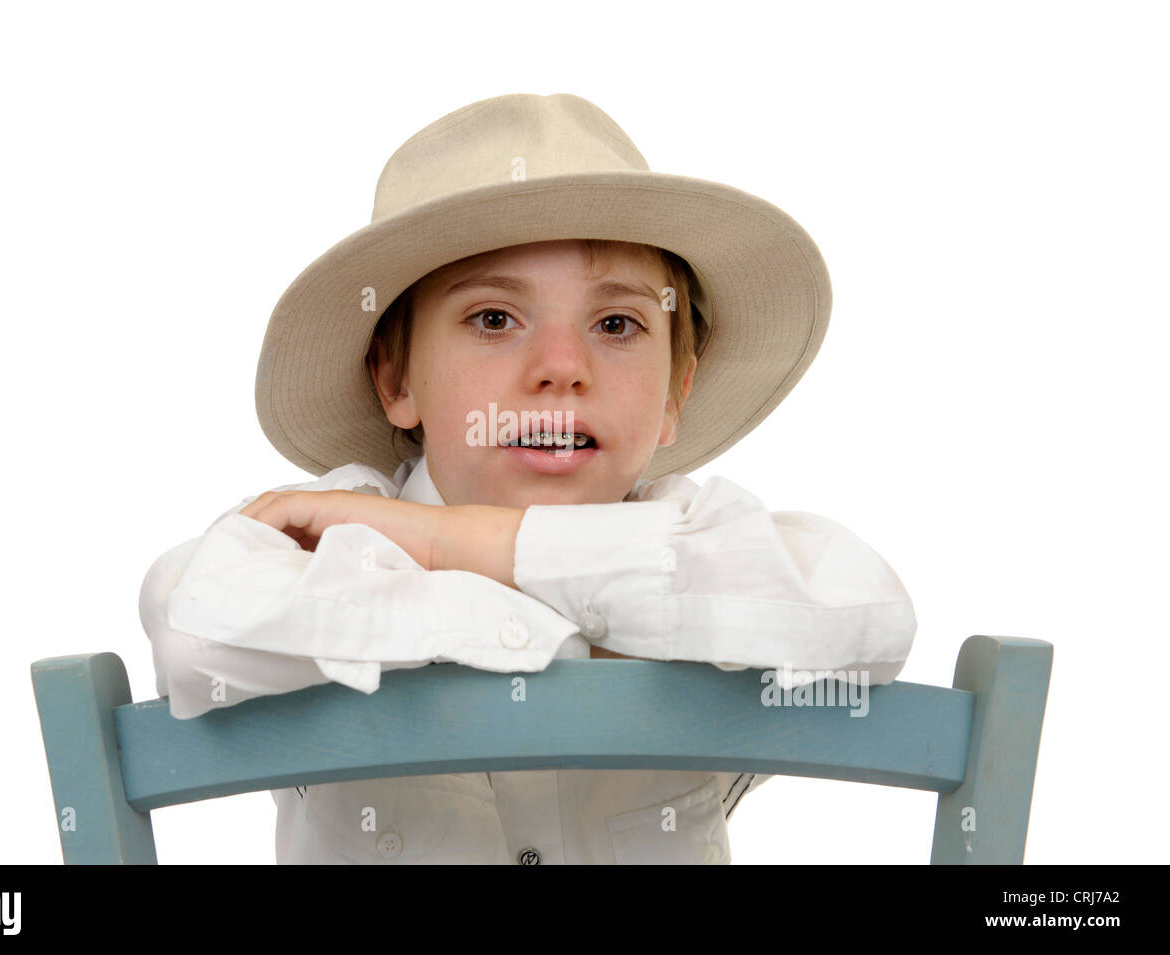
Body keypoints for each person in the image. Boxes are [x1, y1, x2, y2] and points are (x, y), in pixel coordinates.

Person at [138, 92, 918, 864]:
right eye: (494, 318)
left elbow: (867, 617)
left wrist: (456, 544)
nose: (561, 369)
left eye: (616, 324)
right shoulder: (318, 537)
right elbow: (196, 627)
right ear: (394, 376)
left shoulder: (704, 540)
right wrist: (579, 621)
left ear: (677, 392)